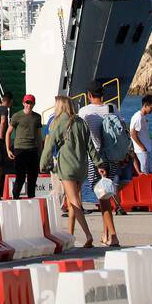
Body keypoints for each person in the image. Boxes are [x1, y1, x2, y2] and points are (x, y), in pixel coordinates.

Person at [40, 95, 100, 247]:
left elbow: (49, 145)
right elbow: (90, 146)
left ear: (59, 106)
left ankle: (88, 236)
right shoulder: (81, 122)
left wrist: (43, 164)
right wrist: (100, 163)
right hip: (82, 166)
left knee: (74, 201)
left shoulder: (58, 122)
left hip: (67, 166)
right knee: (71, 201)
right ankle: (70, 235)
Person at [79, 86, 121, 248]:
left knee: (102, 196)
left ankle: (113, 236)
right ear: (103, 94)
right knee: (106, 194)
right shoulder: (112, 108)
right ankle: (105, 234)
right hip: (113, 156)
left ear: (89, 95)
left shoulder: (84, 112)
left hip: (95, 157)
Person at [5, 93, 43, 199]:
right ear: (23, 103)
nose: (29, 105)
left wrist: (41, 151)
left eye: (31, 103)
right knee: (20, 177)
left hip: (33, 149)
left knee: (33, 177)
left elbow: (39, 136)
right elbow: (8, 133)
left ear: (34, 104)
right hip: (20, 149)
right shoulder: (17, 116)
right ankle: (15, 196)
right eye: (27, 102)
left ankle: (31, 198)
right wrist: (8, 149)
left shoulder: (37, 117)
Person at [130, 95, 152, 174]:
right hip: (141, 151)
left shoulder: (143, 117)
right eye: (151, 107)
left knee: (148, 172)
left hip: (145, 150)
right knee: (144, 173)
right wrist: (142, 147)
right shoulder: (138, 117)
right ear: (145, 105)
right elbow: (133, 133)